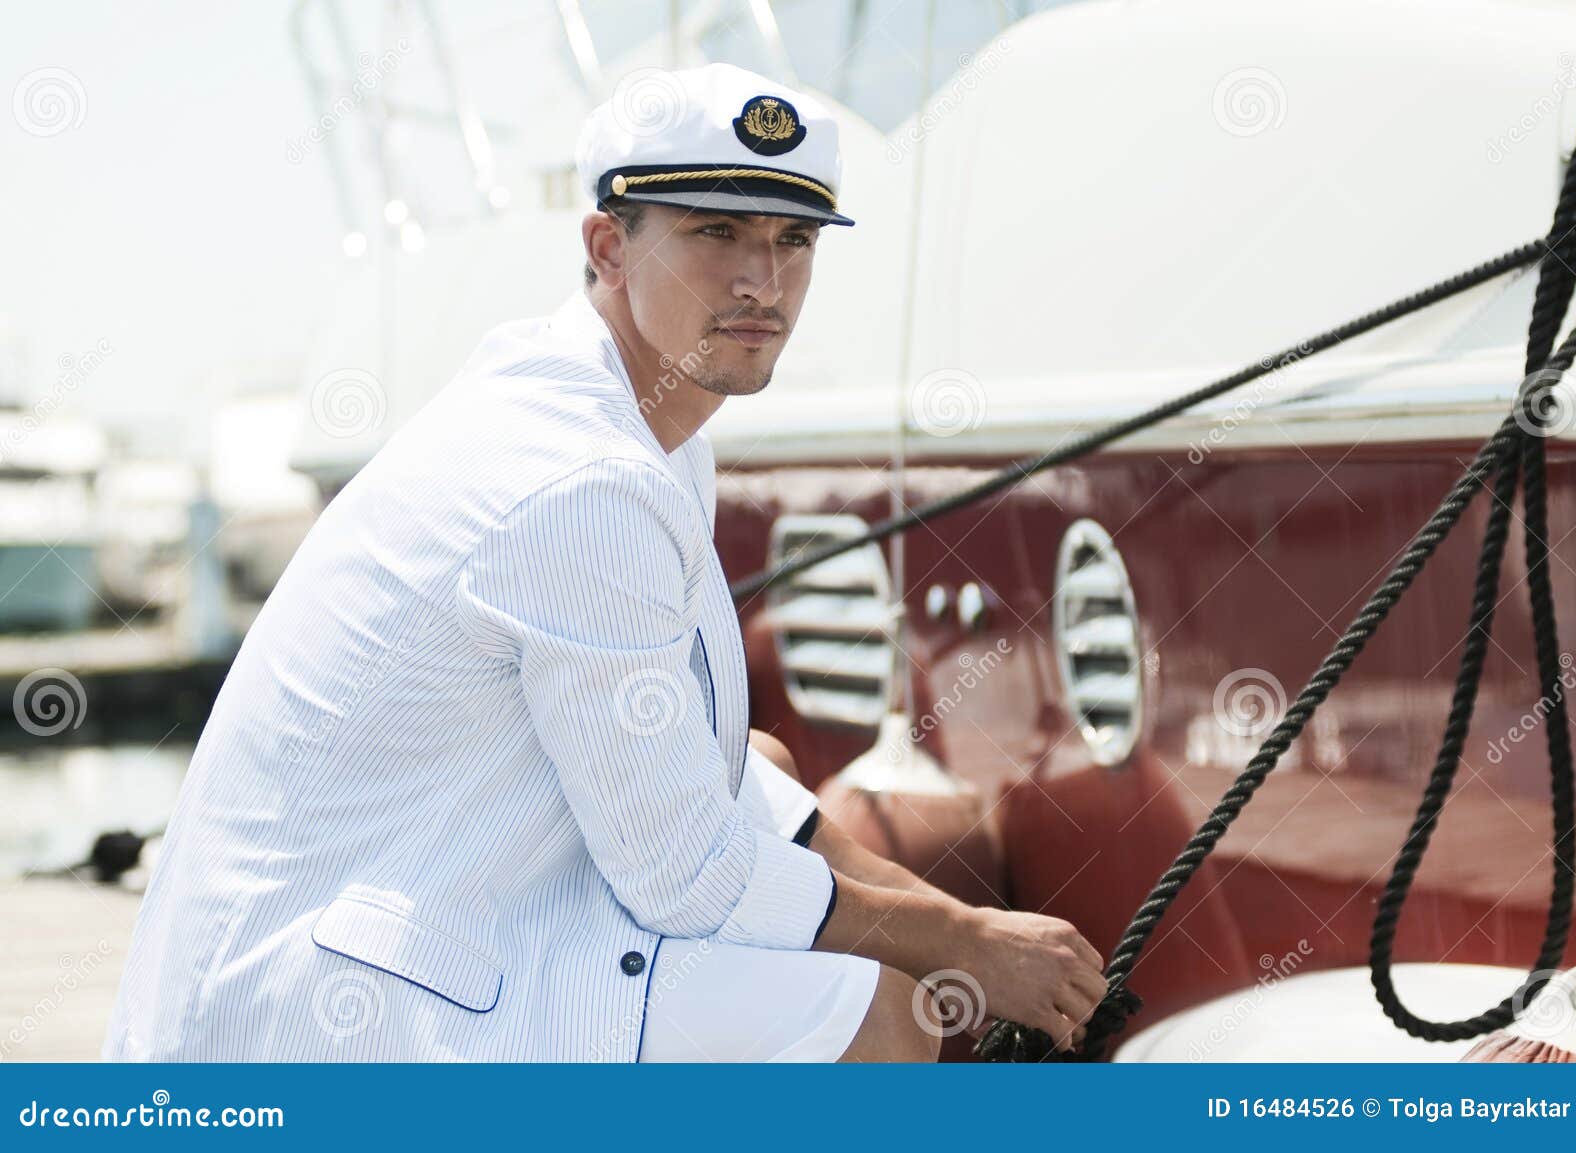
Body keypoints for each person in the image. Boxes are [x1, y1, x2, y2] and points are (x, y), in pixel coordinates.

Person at [103, 62, 1106, 1063]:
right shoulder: (578, 476)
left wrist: (969, 931)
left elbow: (727, 795)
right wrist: (963, 944)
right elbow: (683, 872)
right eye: (716, 233)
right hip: (306, 1017)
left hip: (394, 925)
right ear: (607, 246)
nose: (764, 280)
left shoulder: (634, 429)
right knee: (870, 1000)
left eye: (792, 239)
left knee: (763, 767)